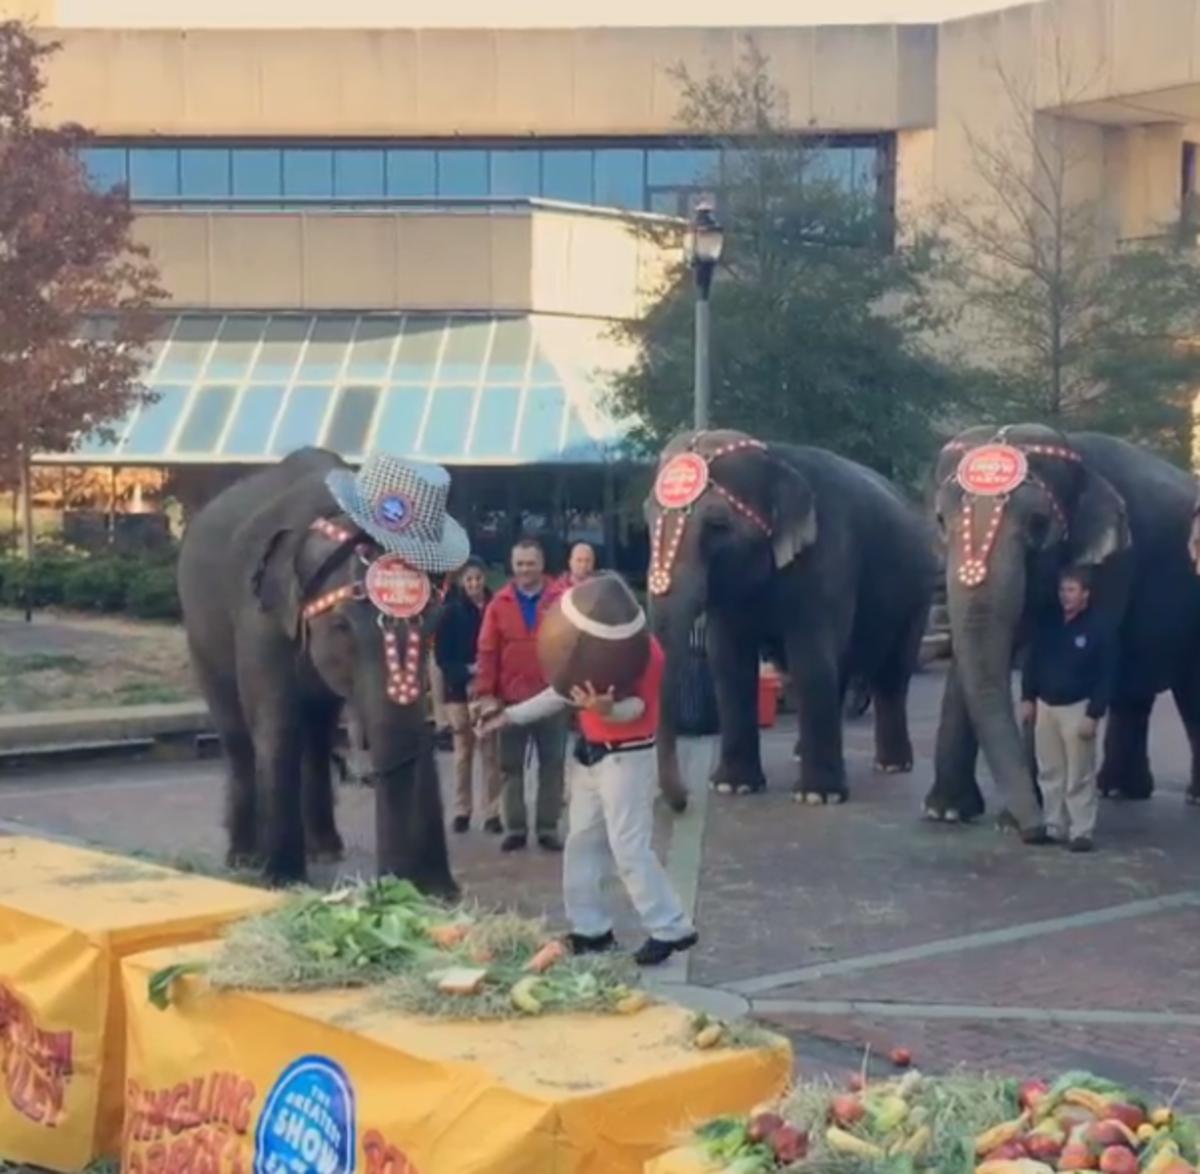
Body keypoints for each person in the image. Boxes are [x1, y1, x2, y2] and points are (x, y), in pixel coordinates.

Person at [478, 576, 697, 967]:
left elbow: (639, 710)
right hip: (590, 756)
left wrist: (606, 710)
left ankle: (671, 928)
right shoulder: (590, 646)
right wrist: (509, 716)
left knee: (629, 847)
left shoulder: (647, 655)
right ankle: (590, 928)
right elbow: (561, 692)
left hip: (627, 758)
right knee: (581, 843)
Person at [474, 538, 567, 853]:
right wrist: (486, 694)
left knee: (552, 766)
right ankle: (514, 827)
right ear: (512, 567)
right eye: (520, 564)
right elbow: (487, 651)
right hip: (511, 700)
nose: (525, 570)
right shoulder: (498, 604)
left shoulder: (562, 599)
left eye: (531, 563)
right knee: (509, 767)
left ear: (542, 564)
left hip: (553, 698)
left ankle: (547, 827)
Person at [1021, 567, 1116, 853]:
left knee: (1079, 773)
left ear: (1086, 594)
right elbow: (1032, 662)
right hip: (1046, 706)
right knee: (1050, 770)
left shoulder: (1099, 628)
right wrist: (1028, 697)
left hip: (1078, 708)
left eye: (1072, 590)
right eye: (1063, 590)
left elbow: (1106, 674)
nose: (1066, 596)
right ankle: (1055, 825)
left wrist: (1094, 713)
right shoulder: (1049, 625)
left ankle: (1081, 830)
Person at [435, 557, 502, 835]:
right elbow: (442, 656)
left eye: (478, 578)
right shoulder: (451, 612)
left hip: (489, 690)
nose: (474, 584)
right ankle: (462, 809)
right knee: (463, 752)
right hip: (459, 690)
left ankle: (493, 812)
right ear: (463, 582)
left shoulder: (495, 609)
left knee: (491, 753)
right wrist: (465, 671)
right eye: (469, 579)